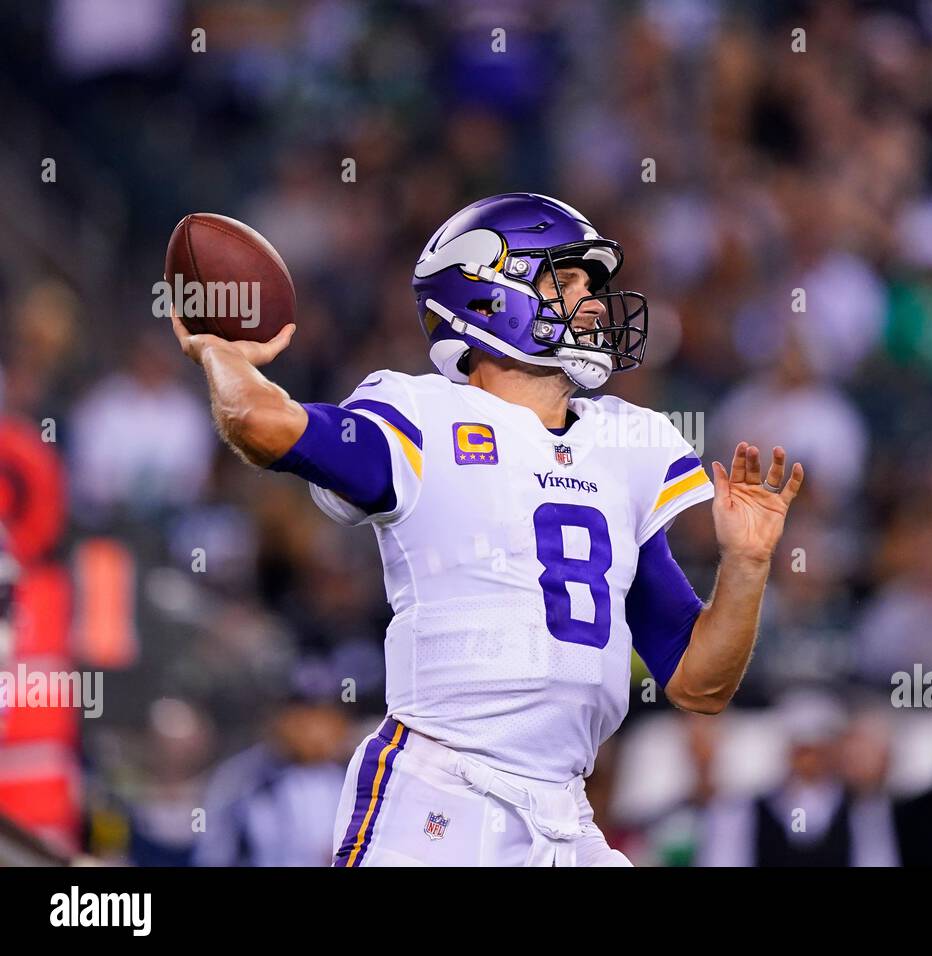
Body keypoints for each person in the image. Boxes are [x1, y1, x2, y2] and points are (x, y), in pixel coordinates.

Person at [171, 193, 804, 866]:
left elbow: (698, 684)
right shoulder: (420, 414)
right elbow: (265, 425)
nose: (591, 304)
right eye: (564, 283)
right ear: (488, 295)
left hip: (565, 808)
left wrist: (747, 563)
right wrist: (223, 354)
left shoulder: (629, 442)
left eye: (591, 288)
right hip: (443, 793)